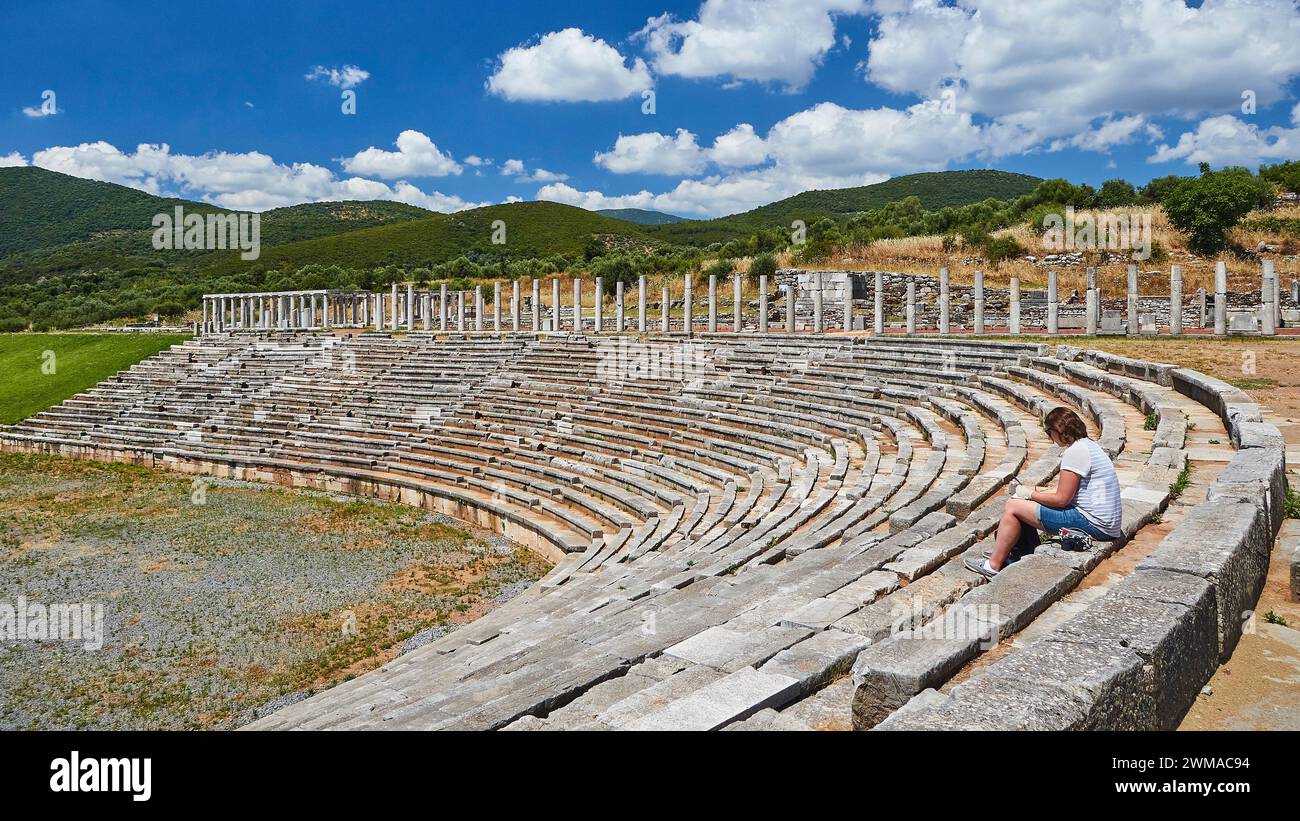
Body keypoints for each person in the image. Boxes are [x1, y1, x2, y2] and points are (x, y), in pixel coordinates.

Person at [966, 406, 1122, 578]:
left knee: (1012, 506)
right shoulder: (1089, 446)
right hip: (1105, 523)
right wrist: (1035, 490)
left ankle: (993, 565)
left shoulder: (1075, 452)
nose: (1050, 438)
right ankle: (1015, 552)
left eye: (1049, 432)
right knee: (1024, 504)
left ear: (1058, 431)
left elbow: (1062, 499)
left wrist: (1030, 495)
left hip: (1092, 523)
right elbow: (1069, 490)